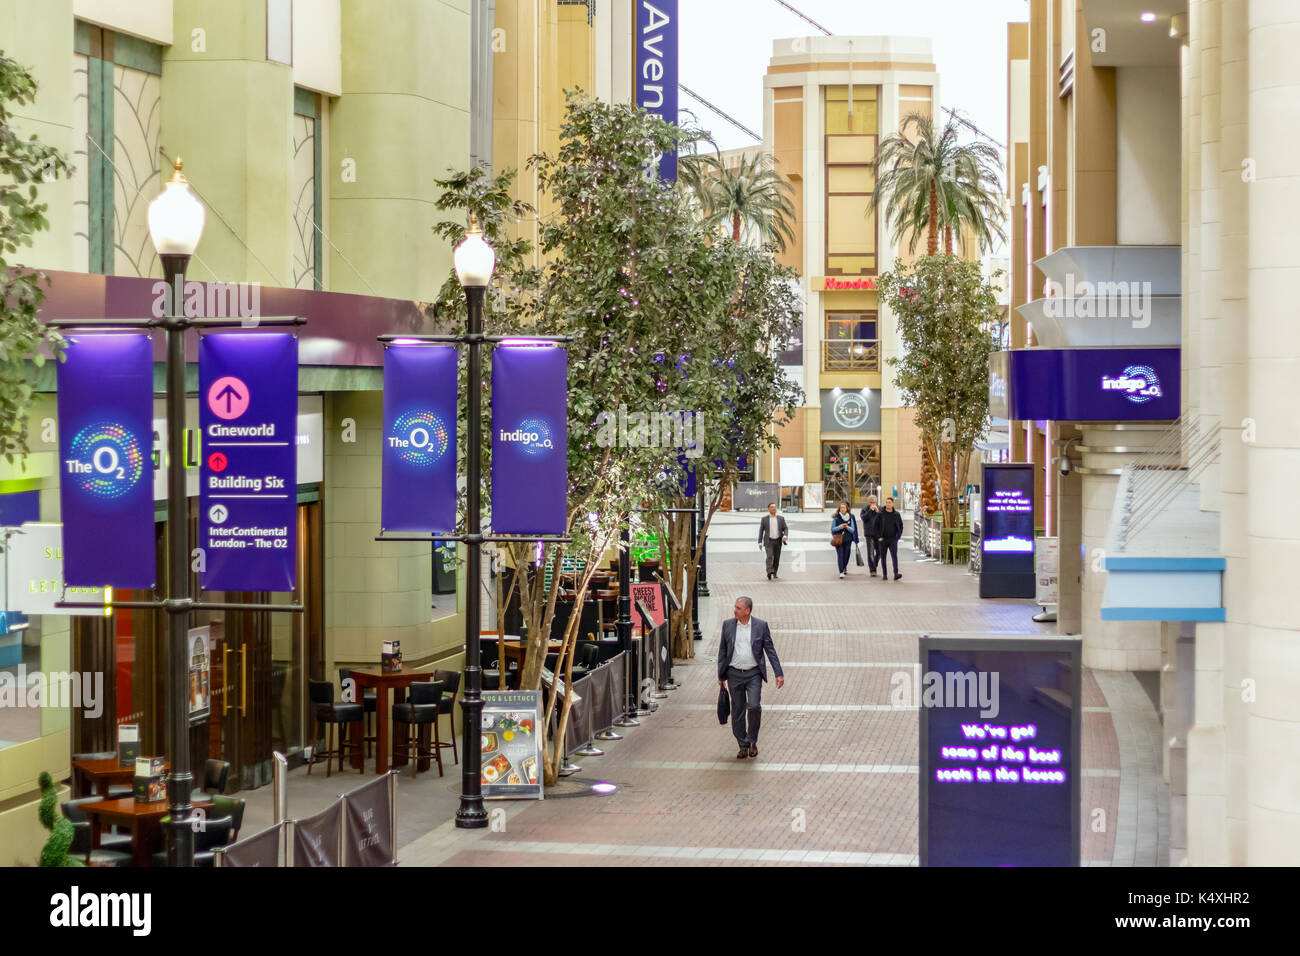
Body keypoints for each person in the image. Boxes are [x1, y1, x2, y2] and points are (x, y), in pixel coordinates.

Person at [716, 596, 784, 758]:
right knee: (738, 710)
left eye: (738, 608)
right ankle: (743, 745)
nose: (735, 610)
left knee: (753, 706)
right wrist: (721, 674)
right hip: (733, 674)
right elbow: (722, 651)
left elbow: (770, 650)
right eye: (735, 607)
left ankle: (752, 739)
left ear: (748, 611)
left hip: (754, 674)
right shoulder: (728, 625)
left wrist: (778, 673)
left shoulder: (760, 626)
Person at [758, 502, 789, 580]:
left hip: (778, 541)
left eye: (775, 507)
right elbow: (761, 531)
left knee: (776, 558)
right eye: (772, 507)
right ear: (769, 509)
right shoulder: (764, 519)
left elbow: (785, 528)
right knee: (769, 556)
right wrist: (760, 542)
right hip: (769, 541)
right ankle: (769, 572)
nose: (774, 508)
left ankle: (774, 572)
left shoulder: (781, 519)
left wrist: (785, 535)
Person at [878, 496, 904, 581]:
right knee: (883, 557)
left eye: (889, 502)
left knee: (894, 557)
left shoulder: (896, 514)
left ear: (892, 504)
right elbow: (876, 526)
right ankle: (884, 574)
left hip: (893, 539)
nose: (888, 504)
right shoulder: (881, 514)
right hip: (883, 539)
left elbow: (900, 526)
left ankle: (896, 574)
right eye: (886, 502)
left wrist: (898, 537)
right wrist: (879, 537)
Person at [831, 501, 857, 578]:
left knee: (847, 555)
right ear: (839, 509)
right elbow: (833, 529)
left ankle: (844, 566)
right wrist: (840, 527)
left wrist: (847, 527)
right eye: (841, 508)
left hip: (848, 539)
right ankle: (841, 571)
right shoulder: (836, 517)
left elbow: (853, 530)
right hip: (839, 539)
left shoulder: (850, 517)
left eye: (844, 508)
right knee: (840, 555)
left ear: (847, 509)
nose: (842, 509)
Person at [859, 495, 881, 577]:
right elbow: (864, 518)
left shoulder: (880, 509)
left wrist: (878, 512)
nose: (873, 504)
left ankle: (874, 564)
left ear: (877, 502)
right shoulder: (865, 509)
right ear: (868, 502)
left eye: (874, 502)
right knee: (870, 552)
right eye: (871, 502)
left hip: (878, 534)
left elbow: (883, 519)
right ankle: (872, 570)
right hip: (869, 534)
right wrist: (870, 511)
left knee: (880, 552)